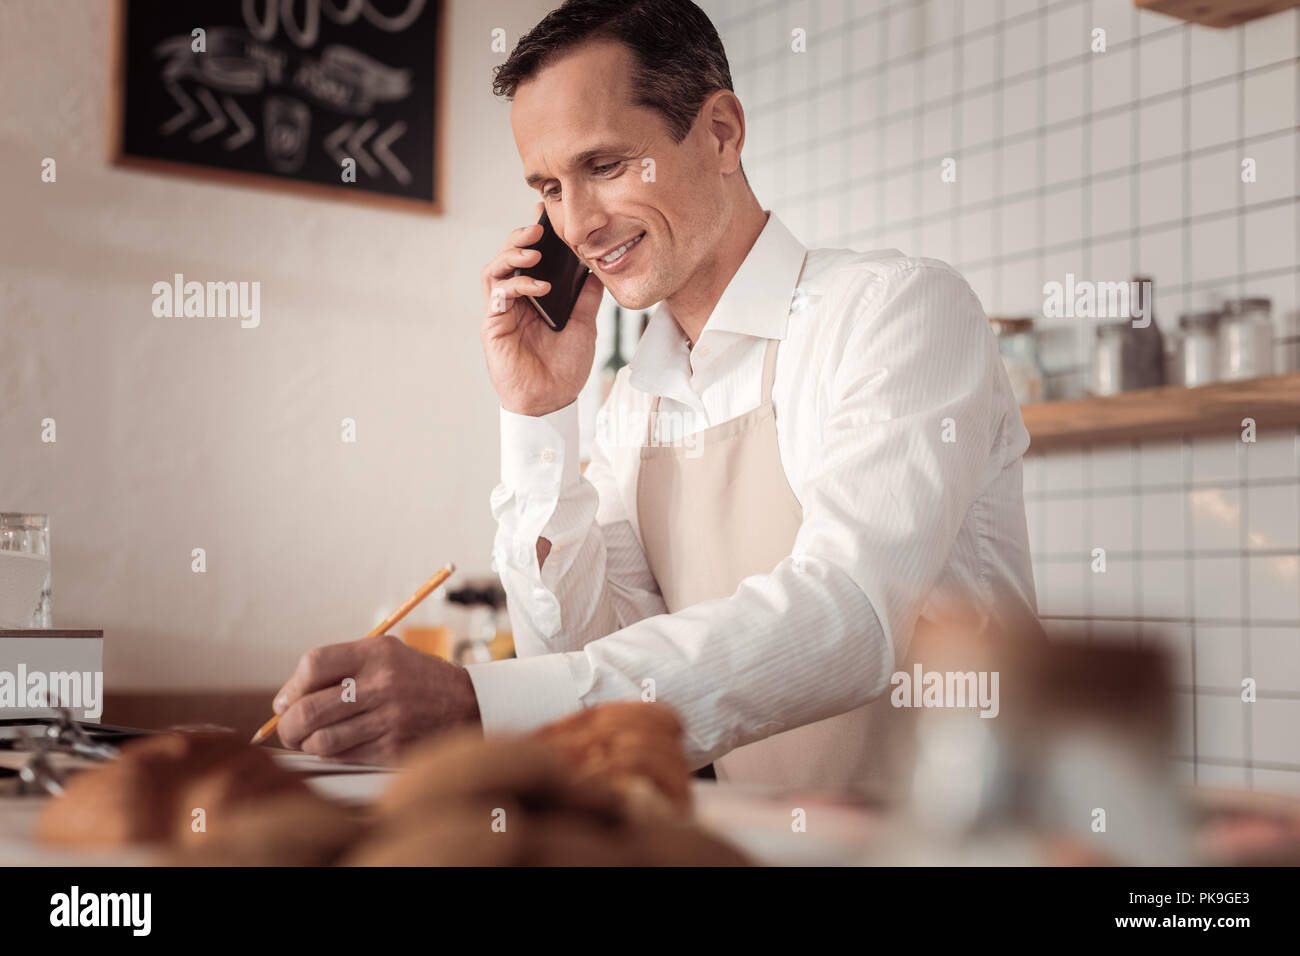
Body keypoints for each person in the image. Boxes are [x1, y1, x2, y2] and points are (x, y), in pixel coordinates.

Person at [274, 0, 1038, 790]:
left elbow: (849, 619)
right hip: (762, 841)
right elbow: (581, 667)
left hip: (962, 836)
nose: (577, 226)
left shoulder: (897, 311)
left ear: (721, 134)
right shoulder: (634, 400)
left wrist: (479, 704)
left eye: (604, 166)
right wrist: (538, 414)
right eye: (550, 188)